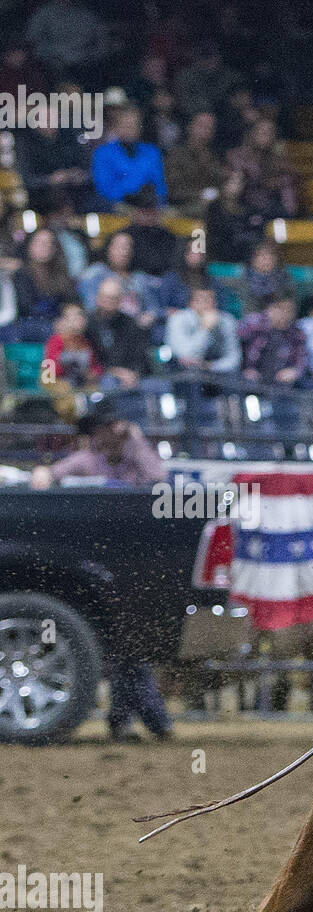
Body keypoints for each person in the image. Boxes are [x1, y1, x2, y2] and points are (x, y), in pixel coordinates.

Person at [30, 395, 173, 741]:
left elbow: (160, 481)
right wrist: (43, 473)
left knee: (129, 648)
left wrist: (135, 442)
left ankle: (130, 722)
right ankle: (149, 722)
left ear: (115, 429)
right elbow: (50, 475)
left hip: (128, 565)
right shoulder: (88, 460)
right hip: (106, 567)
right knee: (129, 647)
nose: (93, 437)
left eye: (98, 430)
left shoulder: (136, 457)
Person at [91, 104, 167, 207]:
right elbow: (104, 189)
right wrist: (135, 190)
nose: (130, 130)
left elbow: (160, 186)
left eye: (134, 125)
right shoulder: (102, 153)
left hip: (150, 206)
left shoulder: (152, 152)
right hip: (117, 206)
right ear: (116, 127)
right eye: (125, 125)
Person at [86, 277, 151, 387]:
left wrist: (134, 373)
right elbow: (92, 360)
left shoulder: (130, 323)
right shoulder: (88, 325)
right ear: (98, 297)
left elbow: (140, 355)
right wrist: (117, 372)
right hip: (104, 375)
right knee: (109, 383)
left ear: (120, 300)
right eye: (105, 297)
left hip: (132, 374)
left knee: (159, 385)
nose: (108, 302)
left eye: (113, 298)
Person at [164, 284, 240, 373]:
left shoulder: (227, 320)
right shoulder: (177, 319)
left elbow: (234, 358)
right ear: (191, 304)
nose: (207, 304)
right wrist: (205, 329)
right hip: (183, 373)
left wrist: (211, 366)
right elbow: (186, 356)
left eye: (211, 300)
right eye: (202, 300)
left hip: (218, 373)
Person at [238, 290, 307, 384]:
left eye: (289, 310)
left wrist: (294, 372)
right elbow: (234, 351)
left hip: (280, 384)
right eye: (281, 308)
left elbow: (301, 362)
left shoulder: (297, 334)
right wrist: (245, 369)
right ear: (270, 308)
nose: (285, 314)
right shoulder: (251, 325)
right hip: (247, 379)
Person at [165, 111, 225, 216]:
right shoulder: (176, 154)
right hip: (182, 208)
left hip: (212, 207)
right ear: (190, 127)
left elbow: (221, 181)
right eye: (201, 125)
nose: (205, 131)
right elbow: (174, 190)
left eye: (209, 127)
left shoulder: (214, 157)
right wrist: (201, 195)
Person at [12, 225, 77, 320]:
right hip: (31, 324)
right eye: (39, 243)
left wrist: (71, 312)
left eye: (49, 243)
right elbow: (26, 308)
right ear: (29, 246)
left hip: (61, 323)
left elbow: (72, 300)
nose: (44, 247)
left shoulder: (61, 274)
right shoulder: (22, 274)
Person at [43, 300, 101, 386]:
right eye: (73, 317)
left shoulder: (86, 342)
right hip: (60, 385)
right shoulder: (56, 341)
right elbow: (49, 372)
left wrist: (93, 373)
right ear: (64, 321)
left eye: (80, 316)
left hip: (81, 384)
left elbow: (94, 366)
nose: (78, 319)